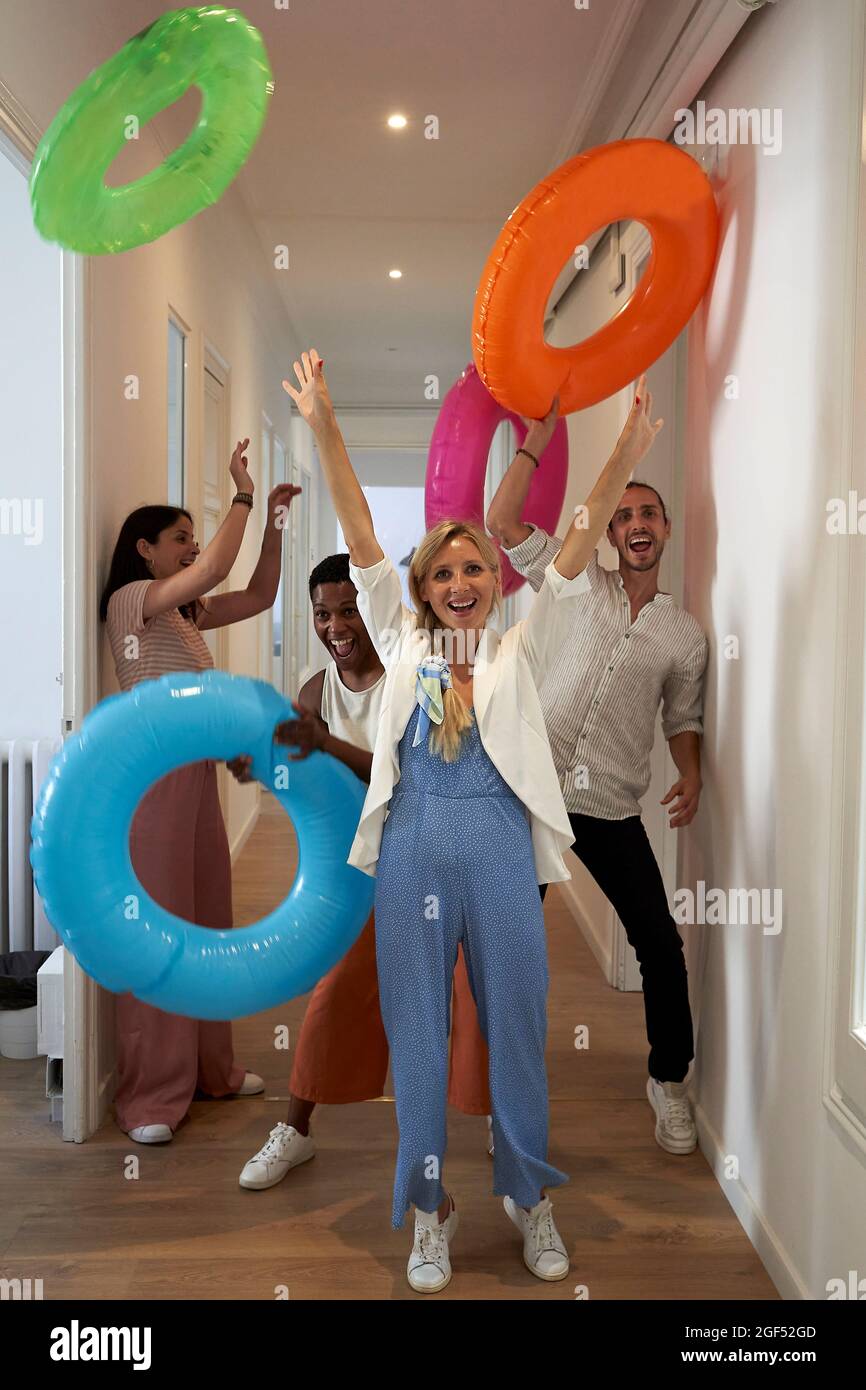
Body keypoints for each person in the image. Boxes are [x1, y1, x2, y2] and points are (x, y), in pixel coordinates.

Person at [282, 349, 663, 1293]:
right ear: (421, 586)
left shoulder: (521, 647)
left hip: (498, 848)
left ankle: (529, 1195)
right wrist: (326, 421)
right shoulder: (402, 634)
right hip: (412, 845)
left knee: (517, 1025)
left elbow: (574, 545)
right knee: (416, 1034)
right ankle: (428, 1210)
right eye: (443, 570)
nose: (461, 581)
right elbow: (361, 527)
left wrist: (623, 450)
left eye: (475, 569)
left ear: (496, 582)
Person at [486, 381, 709, 1155]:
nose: (637, 525)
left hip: (610, 806)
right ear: (610, 530)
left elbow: (683, 718)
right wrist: (539, 437)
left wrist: (693, 770)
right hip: (529, 793)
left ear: (667, 530)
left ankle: (669, 1080)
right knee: (506, 942)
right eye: (625, 516)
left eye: (649, 514)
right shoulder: (575, 580)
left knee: (658, 943)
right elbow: (503, 521)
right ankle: (491, 1086)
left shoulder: (684, 636)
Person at [228, 555, 492, 1189]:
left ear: (374, 610)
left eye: (350, 610)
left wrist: (325, 744)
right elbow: (301, 763)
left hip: (444, 855)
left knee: (475, 995)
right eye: (324, 613)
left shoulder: (422, 677)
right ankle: (295, 1130)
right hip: (370, 867)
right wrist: (260, 764)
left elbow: (424, 773)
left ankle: (498, 1117)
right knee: (337, 992)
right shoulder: (316, 690)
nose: (338, 625)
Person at [99, 438, 299, 1144]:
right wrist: (241, 491)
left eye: (192, 535)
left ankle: (211, 1069)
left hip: (197, 773)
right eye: (179, 537)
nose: (192, 547)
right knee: (158, 929)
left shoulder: (183, 616)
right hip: (150, 776)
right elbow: (217, 565)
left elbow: (259, 593)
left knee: (208, 920)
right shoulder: (134, 603)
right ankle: (152, 1095)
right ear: (145, 549)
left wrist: (273, 525)